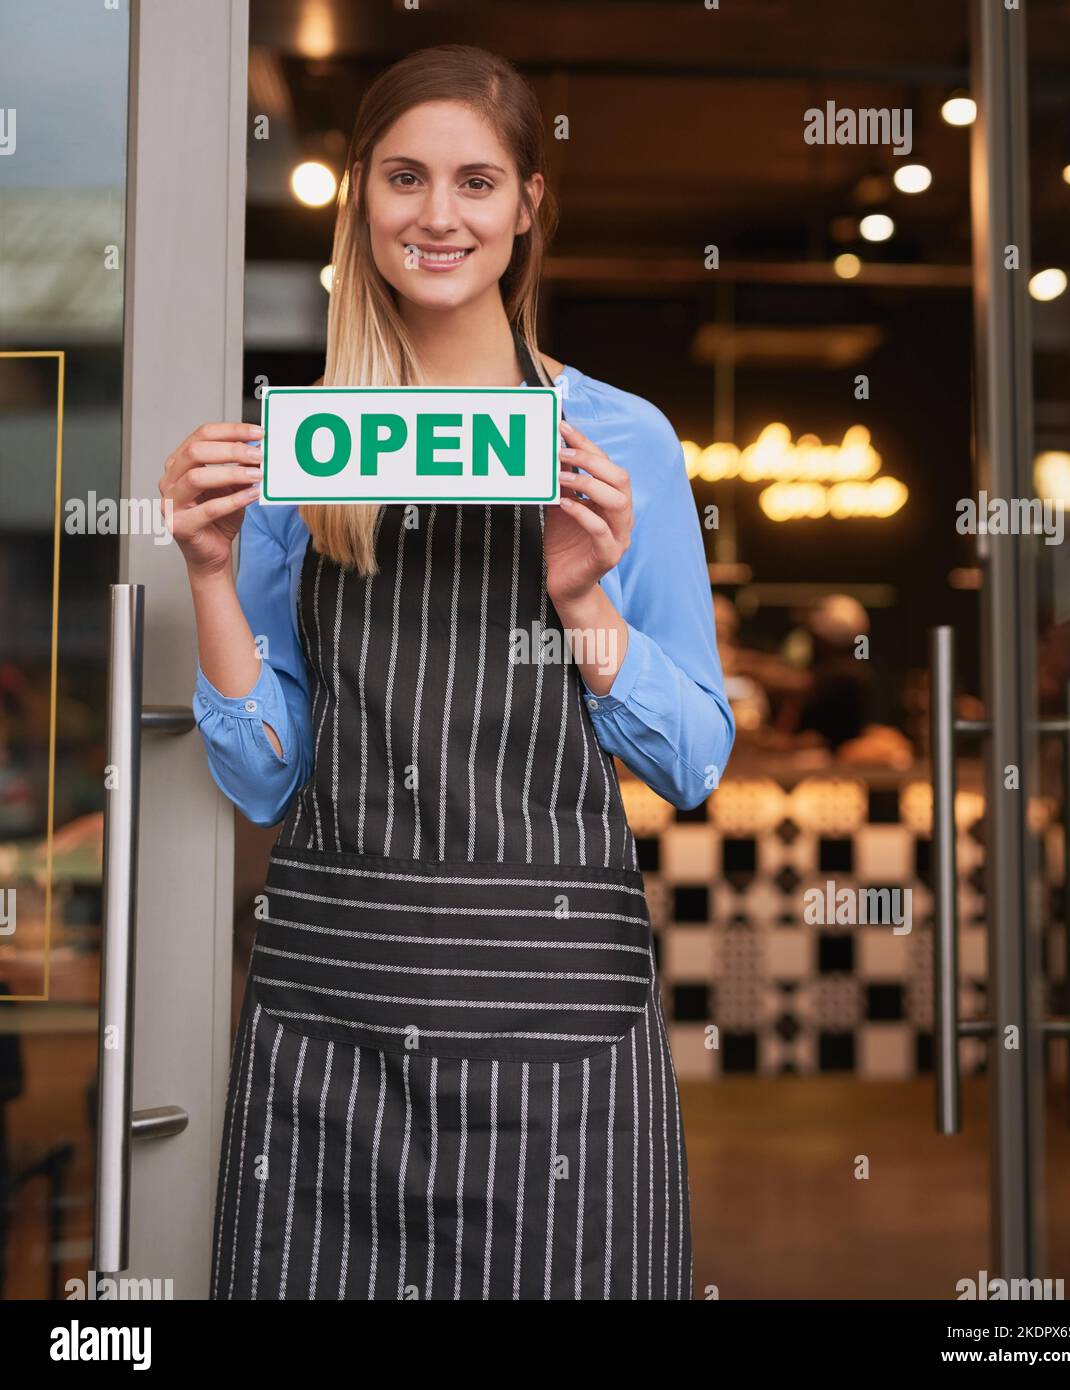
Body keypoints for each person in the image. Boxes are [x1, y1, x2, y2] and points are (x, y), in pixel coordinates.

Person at [161, 45, 733, 1301]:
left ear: (528, 204)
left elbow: (691, 757)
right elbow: (262, 780)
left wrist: (579, 595)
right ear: (359, 194)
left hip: (555, 1024)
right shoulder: (300, 446)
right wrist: (209, 572)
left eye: (477, 182)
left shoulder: (618, 437)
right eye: (406, 177)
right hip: (335, 1016)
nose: (438, 215)